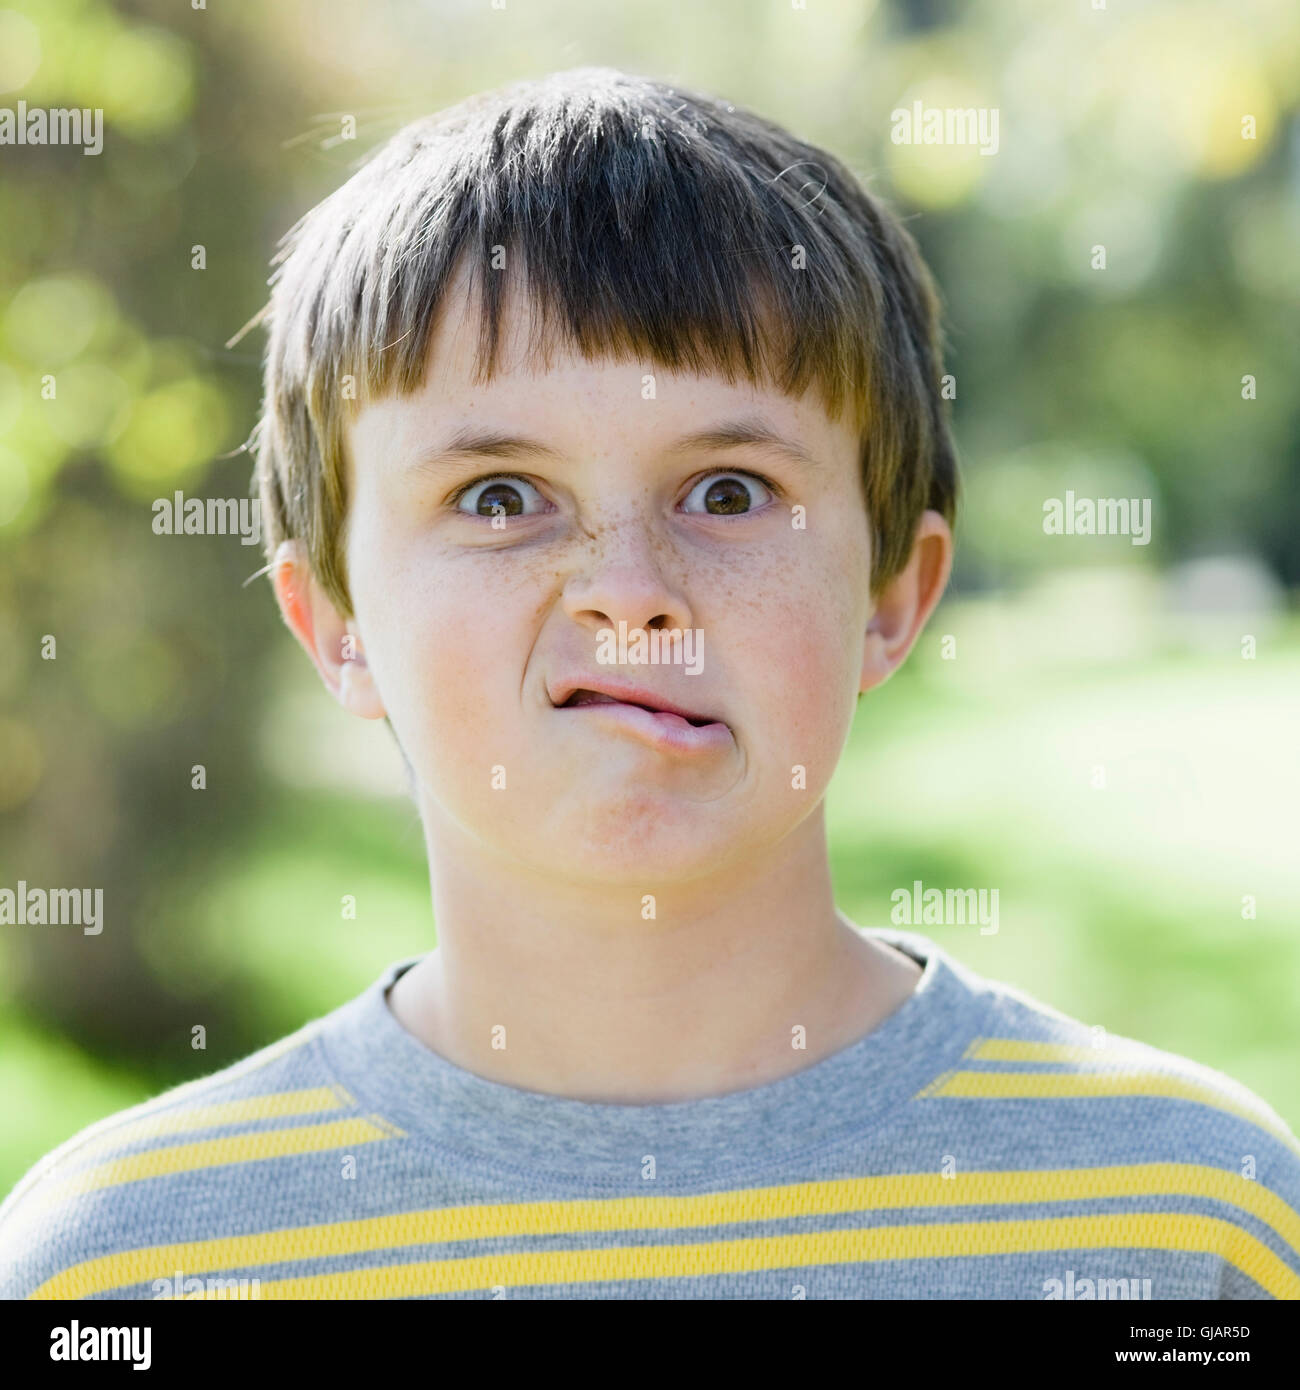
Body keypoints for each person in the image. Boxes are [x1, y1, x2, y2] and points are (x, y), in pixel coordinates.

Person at [2, 67, 1296, 1301]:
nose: (628, 587)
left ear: (892, 595)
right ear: (334, 620)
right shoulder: (119, 1263)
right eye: (498, 496)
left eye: (730, 491)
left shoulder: (1190, 1220)